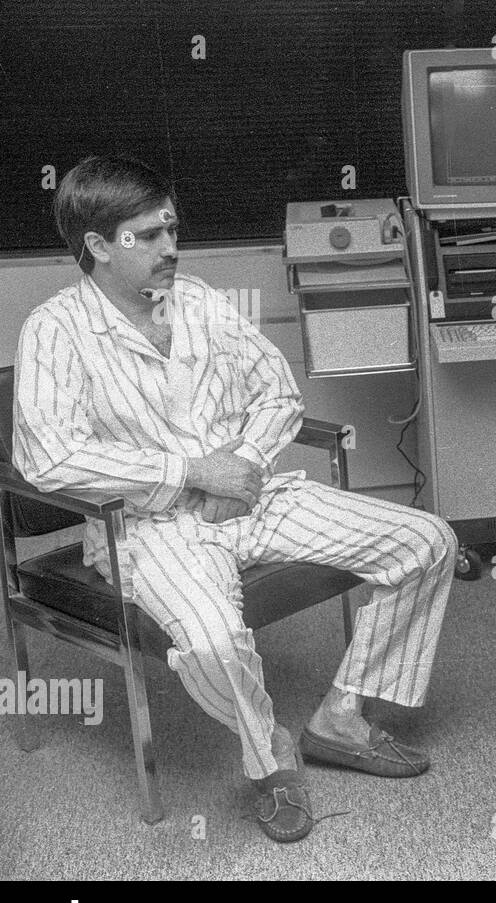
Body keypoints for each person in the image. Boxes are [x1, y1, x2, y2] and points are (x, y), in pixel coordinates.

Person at [12, 155, 459, 844]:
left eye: (172, 229)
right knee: (214, 642)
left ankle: (341, 718)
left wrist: (242, 467)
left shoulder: (199, 302)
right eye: (148, 236)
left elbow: (277, 394)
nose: (171, 248)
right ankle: (270, 754)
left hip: (251, 498)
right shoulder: (55, 331)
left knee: (427, 542)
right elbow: (49, 457)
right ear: (98, 247)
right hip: (149, 529)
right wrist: (193, 473)